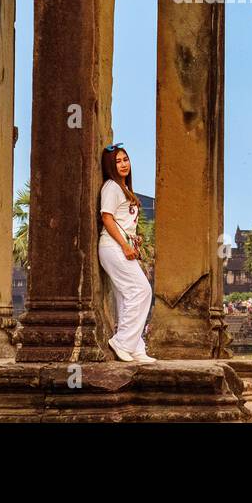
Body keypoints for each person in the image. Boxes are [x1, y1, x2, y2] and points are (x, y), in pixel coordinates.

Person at [97, 143, 155, 364]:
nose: (123, 164)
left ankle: (135, 347)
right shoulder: (111, 186)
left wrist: (133, 239)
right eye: (118, 162)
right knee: (142, 290)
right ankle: (122, 342)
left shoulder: (123, 188)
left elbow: (123, 220)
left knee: (125, 297)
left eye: (125, 159)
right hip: (112, 247)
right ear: (110, 166)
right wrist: (124, 245)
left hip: (119, 245)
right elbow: (107, 217)